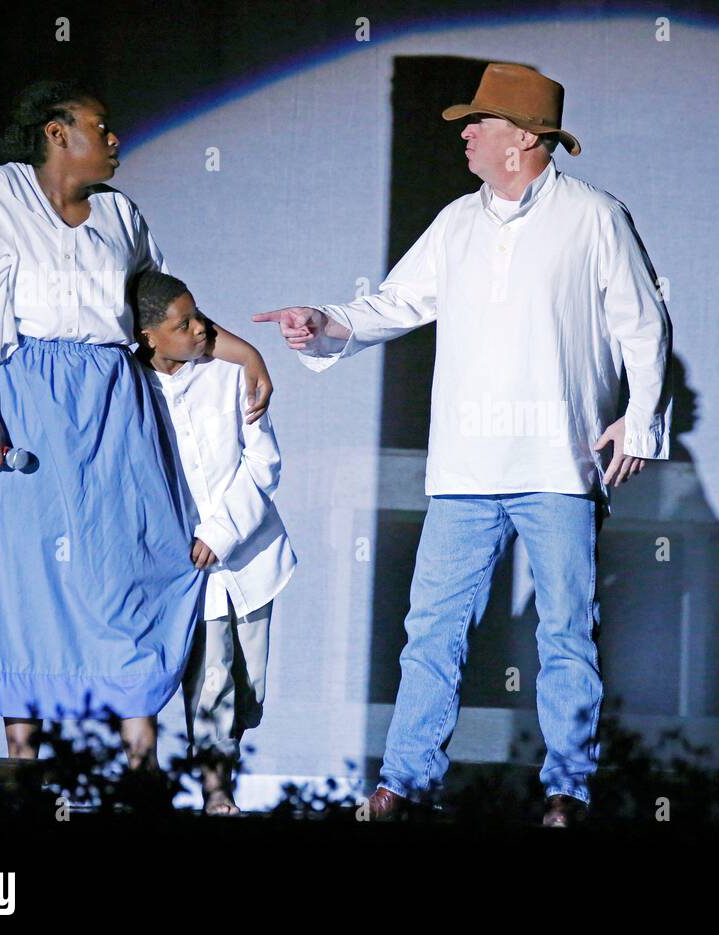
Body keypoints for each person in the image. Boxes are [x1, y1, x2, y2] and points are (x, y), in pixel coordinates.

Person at [255, 62, 672, 825]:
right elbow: (394, 302)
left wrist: (639, 419)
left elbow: (642, 325)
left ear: (524, 139)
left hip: (558, 461)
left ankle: (566, 790)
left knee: (566, 635)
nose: (467, 133)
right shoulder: (457, 222)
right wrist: (324, 323)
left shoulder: (592, 217)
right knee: (433, 631)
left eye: (480, 122)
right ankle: (404, 785)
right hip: (466, 468)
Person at [0, 79, 274, 769]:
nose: (114, 138)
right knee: (26, 576)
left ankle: (138, 763)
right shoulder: (2, 196)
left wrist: (244, 351)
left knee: (129, 567)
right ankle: (23, 766)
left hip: (115, 410)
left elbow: (166, 309)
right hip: (29, 404)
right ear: (58, 134)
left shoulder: (120, 215)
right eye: (100, 126)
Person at [133, 270, 297, 814]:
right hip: (177, 571)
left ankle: (222, 772)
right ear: (149, 336)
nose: (201, 329)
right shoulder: (132, 389)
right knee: (211, 682)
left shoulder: (230, 374)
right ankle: (215, 792)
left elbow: (264, 462)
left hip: (248, 560)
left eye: (199, 315)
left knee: (246, 691)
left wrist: (221, 533)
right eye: (184, 325)